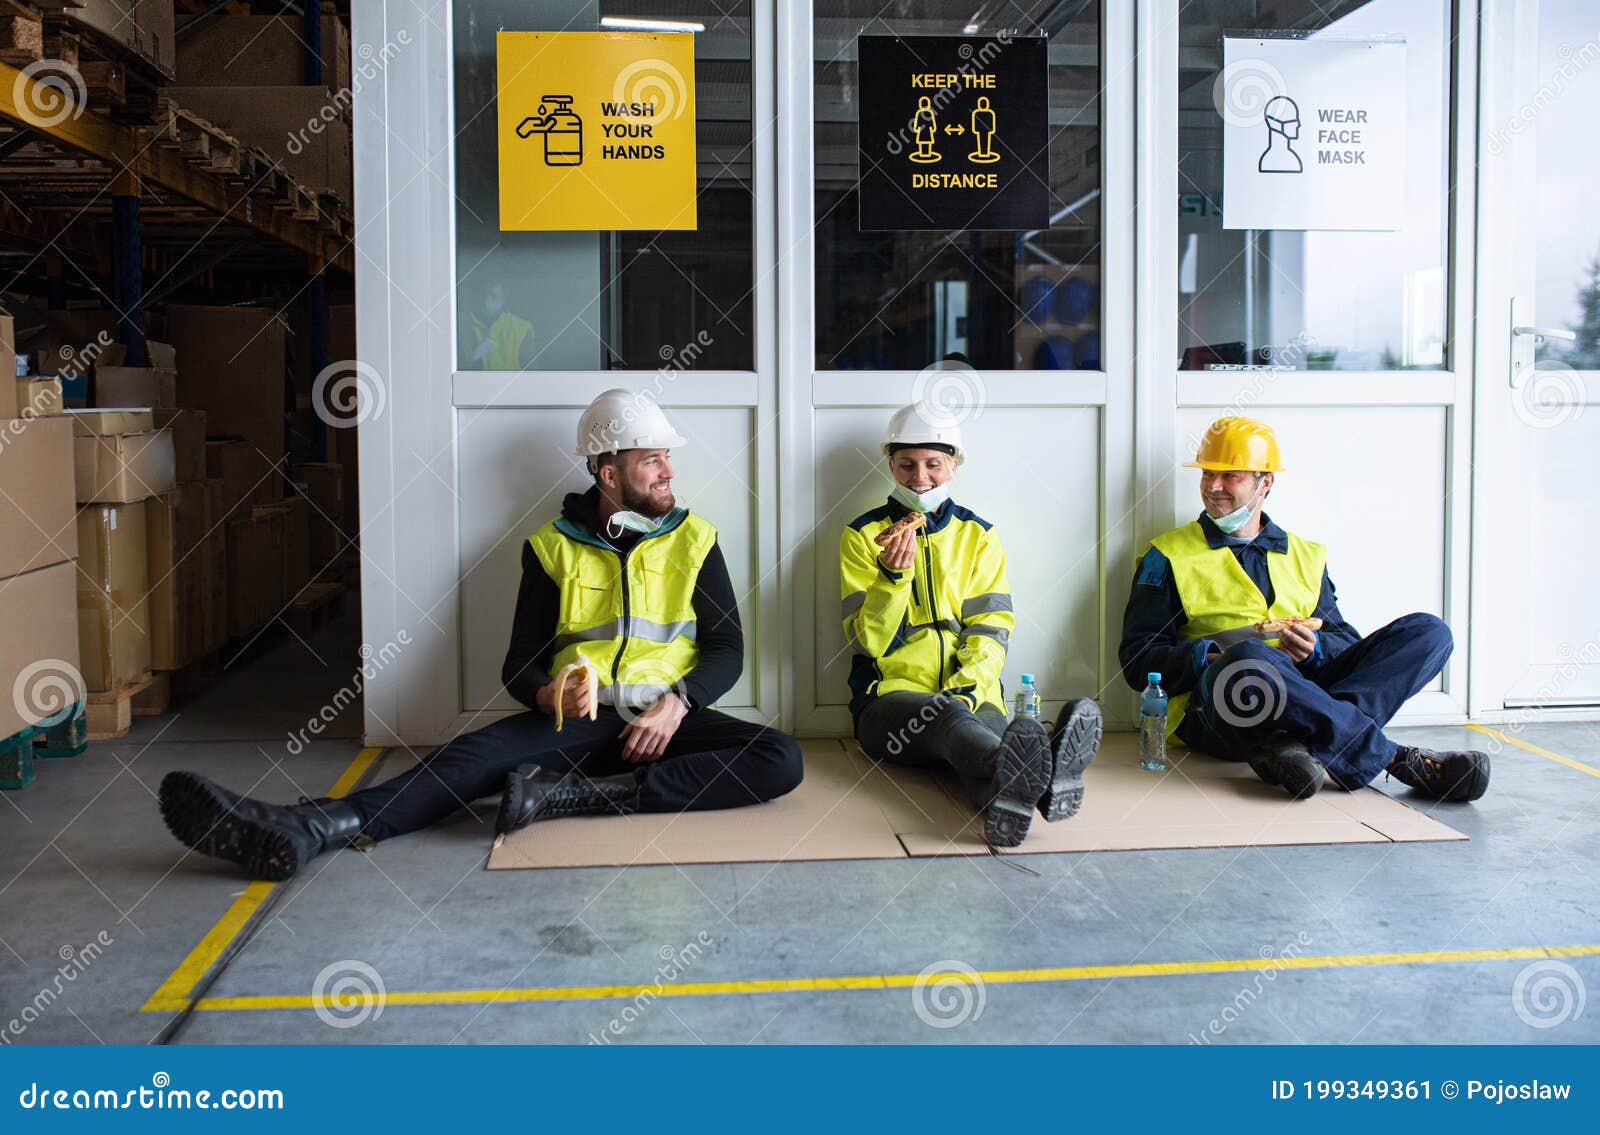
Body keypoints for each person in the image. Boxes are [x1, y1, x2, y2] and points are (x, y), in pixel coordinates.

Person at [160, 389, 803, 881]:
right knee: (465, 761)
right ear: (608, 472)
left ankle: (575, 800)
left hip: (663, 723)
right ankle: (314, 825)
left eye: (668, 457)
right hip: (579, 724)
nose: (667, 470)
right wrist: (549, 697)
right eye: (652, 458)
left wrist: (677, 702)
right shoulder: (551, 547)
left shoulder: (696, 539)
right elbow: (519, 664)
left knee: (779, 759)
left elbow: (727, 648)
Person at [1119, 416, 1490, 801]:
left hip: (1301, 692)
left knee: (1429, 633)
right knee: (1247, 658)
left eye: (1232, 475)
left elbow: (1344, 641)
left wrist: (1314, 652)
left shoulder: (1305, 555)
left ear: (1266, 481)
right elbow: (1137, 661)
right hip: (1217, 710)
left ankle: (1292, 748)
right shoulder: (1165, 556)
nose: (1213, 486)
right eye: (1208, 473)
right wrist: (1210, 657)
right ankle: (1394, 758)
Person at [840, 401, 1103, 847]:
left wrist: (968, 686)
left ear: (954, 466)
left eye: (933, 464)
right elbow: (870, 642)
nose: (919, 477)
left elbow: (990, 627)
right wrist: (891, 578)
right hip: (888, 707)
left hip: (974, 694)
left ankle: (1016, 800)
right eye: (906, 464)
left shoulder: (978, 534)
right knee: (947, 715)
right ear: (890, 465)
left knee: (984, 752)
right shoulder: (862, 535)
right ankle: (1049, 766)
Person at [469, 283, 534, 370]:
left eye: (493, 296)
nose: (487, 299)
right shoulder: (463, 325)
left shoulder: (521, 328)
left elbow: (532, 372)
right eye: (484, 295)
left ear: (504, 299)